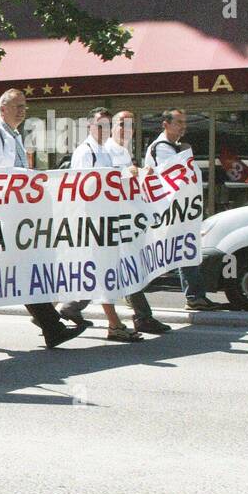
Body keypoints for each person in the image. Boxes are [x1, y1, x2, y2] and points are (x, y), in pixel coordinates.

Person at [0, 89, 86, 350]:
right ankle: (52, 327)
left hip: (14, 216)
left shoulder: (12, 137)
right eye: (16, 106)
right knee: (11, 273)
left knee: (4, 274)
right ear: (2, 109)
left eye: (24, 107)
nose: (22, 111)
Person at [56, 108, 143, 342]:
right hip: (92, 224)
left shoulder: (103, 152)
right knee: (103, 272)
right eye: (100, 125)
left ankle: (49, 311)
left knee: (94, 273)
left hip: (105, 220)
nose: (104, 130)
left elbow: (110, 181)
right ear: (90, 127)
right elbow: (81, 189)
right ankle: (114, 324)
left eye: (107, 125)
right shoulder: (85, 153)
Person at [143, 108, 220, 311]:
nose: (183, 127)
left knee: (183, 249)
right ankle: (135, 291)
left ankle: (194, 295)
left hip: (179, 209)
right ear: (165, 124)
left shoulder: (174, 146)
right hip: (168, 210)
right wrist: (186, 152)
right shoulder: (161, 147)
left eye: (184, 123)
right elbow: (176, 175)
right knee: (172, 250)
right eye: (178, 122)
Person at [107, 110, 170, 334]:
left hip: (128, 217)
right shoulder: (107, 150)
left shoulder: (123, 151)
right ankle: (143, 317)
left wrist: (143, 172)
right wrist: (126, 172)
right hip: (113, 219)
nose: (127, 130)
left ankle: (70, 307)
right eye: (122, 124)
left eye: (131, 126)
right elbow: (103, 178)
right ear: (112, 127)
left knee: (125, 267)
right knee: (125, 267)